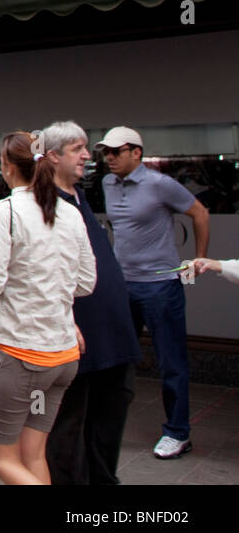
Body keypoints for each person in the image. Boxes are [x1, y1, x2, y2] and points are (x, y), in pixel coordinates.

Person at [0, 129, 96, 485]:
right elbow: (86, 283)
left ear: (6, 166)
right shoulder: (69, 212)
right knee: (33, 453)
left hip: (20, 361)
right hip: (60, 363)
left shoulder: (6, 211)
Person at [98, 126, 209, 460]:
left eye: (117, 151)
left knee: (171, 361)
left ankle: (177, 433)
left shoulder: (160, 184)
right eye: (106, 152)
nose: (110, 157)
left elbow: (199, 213)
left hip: (161, 287)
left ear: (137, 153)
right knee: (117, 358)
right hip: (123, 285)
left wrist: (198, 260)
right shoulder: (106, 183)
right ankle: (108, 423)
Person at [42, 121, 140, 484]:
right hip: (76, 341)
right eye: (76, 148)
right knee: (69, 428)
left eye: (86, 147)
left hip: (113, 338)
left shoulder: (80, 196)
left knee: (110, 417)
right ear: (53, 156)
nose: (87, 155)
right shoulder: (46, 205)